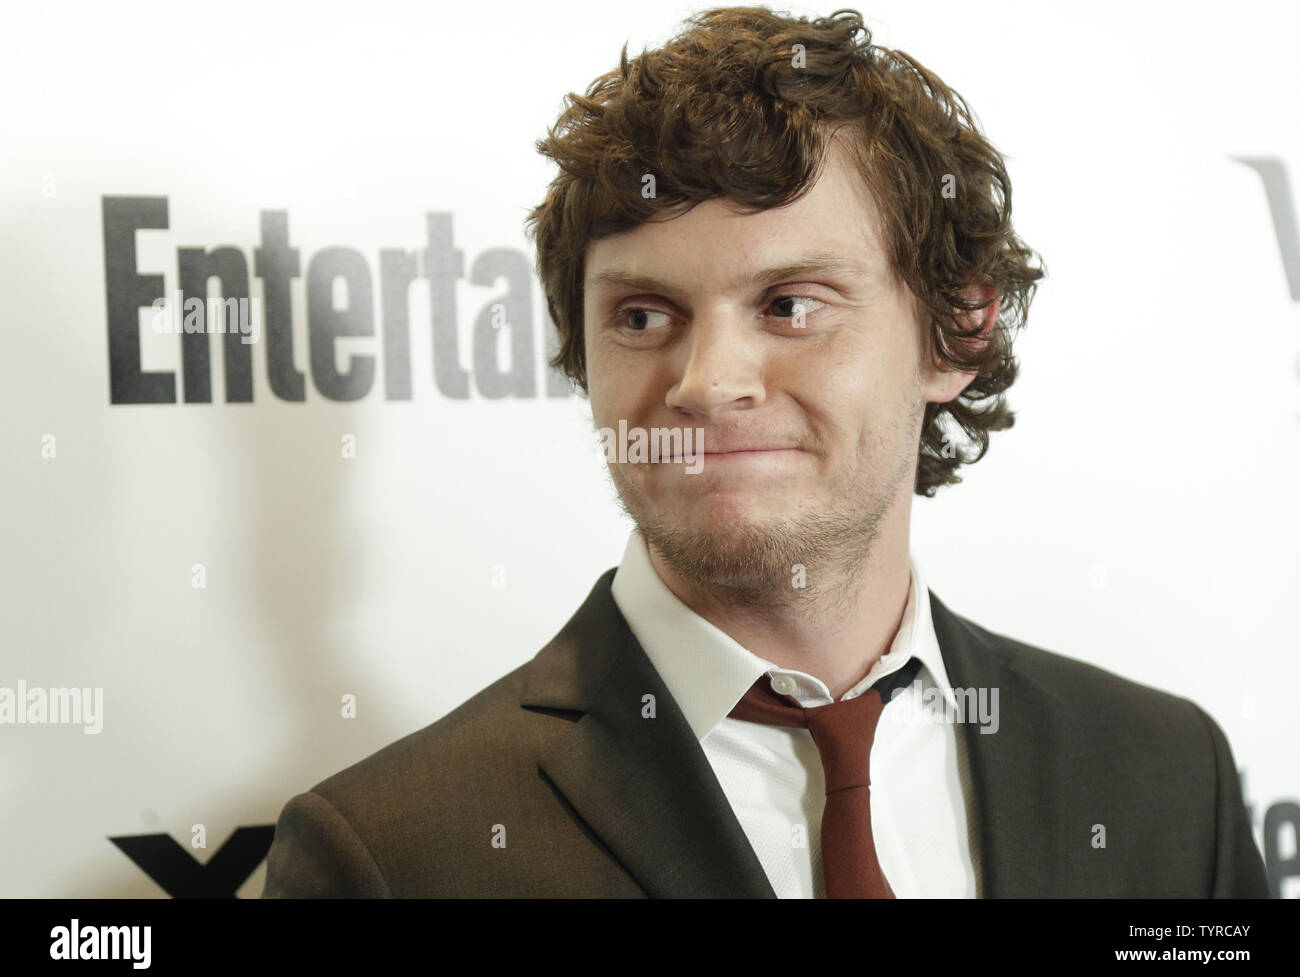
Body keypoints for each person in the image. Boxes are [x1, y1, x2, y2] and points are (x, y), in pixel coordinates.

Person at [262, 6, 1270, 898]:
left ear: (956, 332)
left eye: (790, 305)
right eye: (644, 314)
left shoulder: (1161, 773)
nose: (706, 380)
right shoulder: (391, 857)